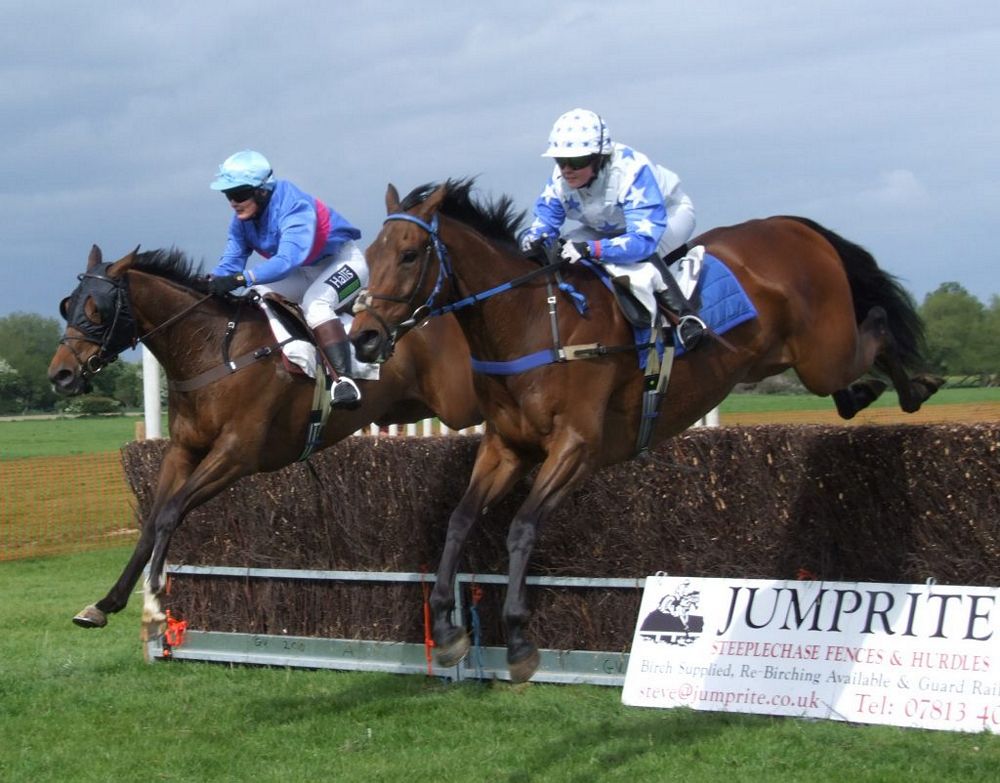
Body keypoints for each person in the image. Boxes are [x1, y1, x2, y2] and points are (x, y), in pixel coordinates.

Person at [519, 108, 705, 348]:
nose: (567, 169)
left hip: (667, 217)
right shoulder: (559, 179)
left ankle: (686, 319)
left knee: (642, 261)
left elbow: (643, 241)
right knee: (561, 251)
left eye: (576, 161)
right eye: (560, 160)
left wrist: (591, 249)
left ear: (599, 158)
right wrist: (533, 241)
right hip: (607, 227)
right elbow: (543, 225)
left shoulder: (633, 172)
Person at [207, 150, 367, 408]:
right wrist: (213, 281)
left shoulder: (295, 207)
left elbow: (286, 261)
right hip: (303, 271)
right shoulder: (242, 221)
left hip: (343, 263)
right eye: (228, 195)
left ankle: (344, 381)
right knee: (257, 293)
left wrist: (240, 278)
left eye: (238, 194)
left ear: (261, 191)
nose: (233, 202)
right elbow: (231, 261)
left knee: (316, 304)